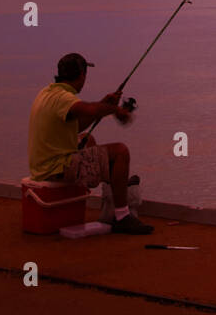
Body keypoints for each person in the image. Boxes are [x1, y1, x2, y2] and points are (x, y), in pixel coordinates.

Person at [27, 52, 153, 236]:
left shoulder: (47, 93)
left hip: (42, 165)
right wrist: (114, 109)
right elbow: (90, 109)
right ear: (81, 75)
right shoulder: (64, 98)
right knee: (120, 151)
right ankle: (122, 216)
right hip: (56, 168)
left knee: (88, 139)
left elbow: (75, 126)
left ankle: (116, 183)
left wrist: (103, 105)